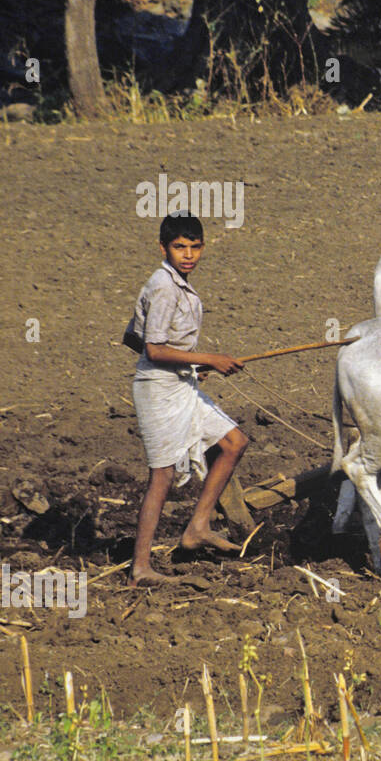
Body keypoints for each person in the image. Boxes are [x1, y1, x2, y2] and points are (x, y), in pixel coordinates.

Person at [123, 211, 249, 586]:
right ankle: (140, 568)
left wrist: (190, 367)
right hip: (158, 391)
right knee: (161, 476)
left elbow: (132, 336)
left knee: (233, 441)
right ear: (163, 248)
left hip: (181, 383)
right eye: (180, 247)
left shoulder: (176, 283)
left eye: (195, 247)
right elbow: (154, 349)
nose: (188, 254)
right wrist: (206, 359)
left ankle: (198, 526)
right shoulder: (163, 286)